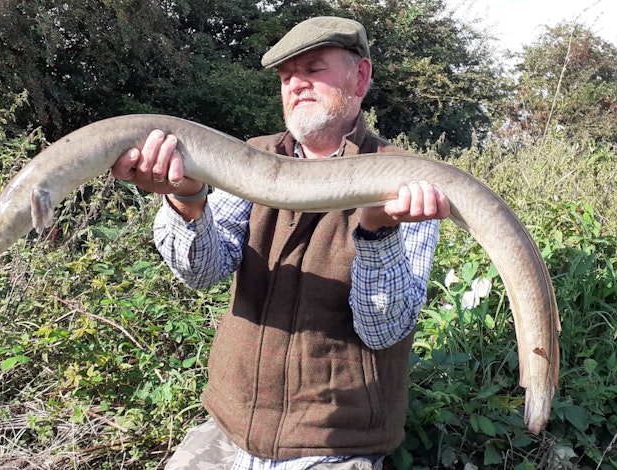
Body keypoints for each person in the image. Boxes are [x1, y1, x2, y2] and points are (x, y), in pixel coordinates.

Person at [111, 16, 450, 469]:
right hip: (229, 428)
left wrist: (377, 232)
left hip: (334, 443)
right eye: (288, 76)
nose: (297, 85)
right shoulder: (248, 160)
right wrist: (187, 201)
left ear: (361, 77)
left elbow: (384, 330)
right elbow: (204, 272)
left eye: (313, 69)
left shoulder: (405, 182)